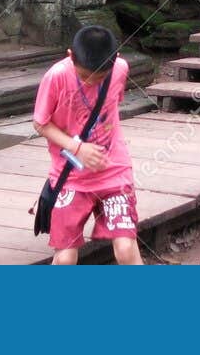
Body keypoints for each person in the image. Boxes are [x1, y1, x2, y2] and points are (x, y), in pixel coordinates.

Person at [32, 24, 142, 265]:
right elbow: (40, 123)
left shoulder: (120, 70)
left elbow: (110, 107)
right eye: (84, 76)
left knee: (125, 248)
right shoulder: (57, 76)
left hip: (114, 171)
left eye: (100, 77)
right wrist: (77, 147)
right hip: (71, 177)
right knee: (65, 257)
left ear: (116, 60)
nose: (91, 82)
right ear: (71, 56)